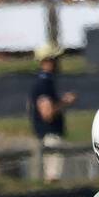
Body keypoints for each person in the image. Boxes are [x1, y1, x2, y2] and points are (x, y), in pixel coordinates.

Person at [28, 43, 76, 182]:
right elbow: (47, 113)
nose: (58, 63)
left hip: (47, 135)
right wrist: (66, 101)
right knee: (53, 177)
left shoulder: (44, 81)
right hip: (50, 136)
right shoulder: (44, 83)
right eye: (55, 59)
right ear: (47, 61)